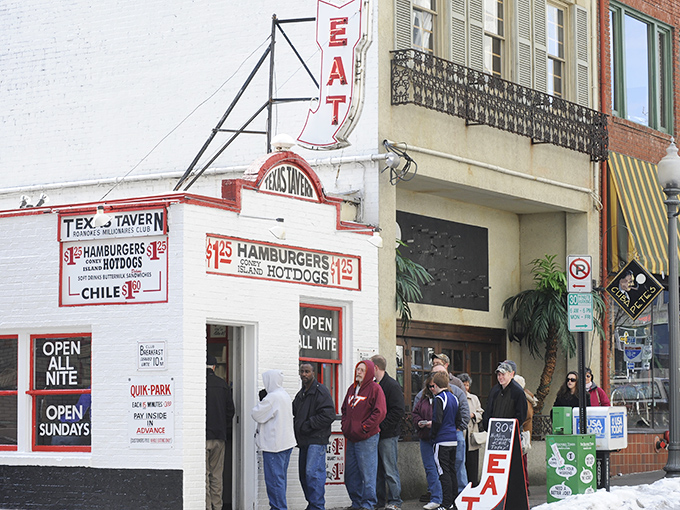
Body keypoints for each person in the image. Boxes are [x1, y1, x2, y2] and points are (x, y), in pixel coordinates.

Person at [341, 360, 387, 510]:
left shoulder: (375, 389)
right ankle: (356, 503)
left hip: (367, 438)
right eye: (357, 369)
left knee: (367, 473)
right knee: (351, 474)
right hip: (352, 438)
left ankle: (368, 504)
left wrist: (364, 427)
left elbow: (380, 412)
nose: (358, 372)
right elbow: (344, 410)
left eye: (362, 370)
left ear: (369, 372)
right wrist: (345, 426)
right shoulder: (351, 389)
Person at [293, 363, 336, 510]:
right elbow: (293, 410)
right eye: (302, 371)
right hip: (304, 440)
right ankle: (312, 504)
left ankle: (317, 506)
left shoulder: (321, 391)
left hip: (317, 440)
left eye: (307, 371)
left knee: (313, 474)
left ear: (313, 373)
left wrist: (308, 424)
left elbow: (329, 414)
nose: (304, 374)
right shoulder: (301, 394)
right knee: (304, 476)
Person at [251, 369, 296, 510]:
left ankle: (278, 508)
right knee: (280, 480)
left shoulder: (273, 397)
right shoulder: (284, 395)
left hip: (274, 445)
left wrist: (263, 400)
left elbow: (256, 414)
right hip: (285, 444)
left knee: (274, 481)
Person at [430, 354, 469, 496]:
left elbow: (464, 410)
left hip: (450, 435)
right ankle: (447, 498)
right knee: (445, 469)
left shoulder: (456, 388)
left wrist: (458, 427)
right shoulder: (429, 389)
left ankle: (459, 498)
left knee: (455, 468)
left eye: (439, 373)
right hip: (447, 434)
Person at [371, 355, 405, 510]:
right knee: (377, 469)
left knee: (390, 469)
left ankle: (395, 501)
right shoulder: (374, 385)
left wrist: (381, 426)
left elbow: (398, 411)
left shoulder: (392, 385)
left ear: (376, 368)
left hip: (388, 435)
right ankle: (379, 501)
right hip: (377, 434)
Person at [206, 355, 235, 510]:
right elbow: (230, 410)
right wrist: (224, 426)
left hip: (202, 437)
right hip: (219, 435)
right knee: (216, 474)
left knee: (204, 475)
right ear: (215, 367)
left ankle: (206, 506)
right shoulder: (222, 385)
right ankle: (217, 506)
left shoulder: (197, 384)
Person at [412, 374, 443, 510]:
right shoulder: (423, 399)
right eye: (429, 386)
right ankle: (435, 497)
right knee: (430, 468)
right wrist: (419, 422)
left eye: (434, 386)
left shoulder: (445, 398)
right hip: (425, 437)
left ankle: (444, 498)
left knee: (442, 469)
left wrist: (434, 424)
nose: (432, 389)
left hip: (440, 438)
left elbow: (450, 417)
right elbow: (415, 413)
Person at [430, 371, 459, 510]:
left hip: (442, 440)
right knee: (452, 470)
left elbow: (437, 420)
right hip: (453, 439)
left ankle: (446, 504)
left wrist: (433, 435)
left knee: (443, 472)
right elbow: (458, 420)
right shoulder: (454, 397)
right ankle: (454, 502)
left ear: (435, 385)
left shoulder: (439, 398)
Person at [483, 361, 528, 431]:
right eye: (498, 375)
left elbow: (521, 414)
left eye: (503, 374)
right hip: (494, 431)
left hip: (511, 432)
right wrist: (487, 427)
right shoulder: (494, 390)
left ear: (511, 374)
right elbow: (488, 410)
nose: (500, 377)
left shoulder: (518, 391)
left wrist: (512, 428)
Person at [457, 373, 484, 487]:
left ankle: (473, 486)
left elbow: (481, 413)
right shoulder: (456, 397)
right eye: (463, 385)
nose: (465, 387)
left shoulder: (474, 398)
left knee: (473, 464)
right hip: (460, 434)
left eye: (467, 385)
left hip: (472, 435)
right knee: (460, 463)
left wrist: (473, 415)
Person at [514, 374, 537, 496]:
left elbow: (527, 415)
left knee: (522, 462)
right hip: (522, 433)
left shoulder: (524, 397)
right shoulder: (526, 396)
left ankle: (524, 486)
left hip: (522, 433)